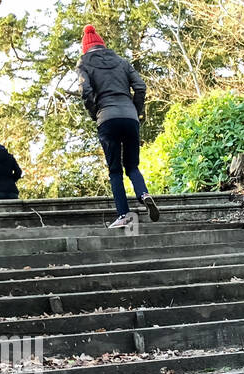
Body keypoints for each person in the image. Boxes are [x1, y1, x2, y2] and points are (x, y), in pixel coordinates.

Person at [76, 24, 161, 229]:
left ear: (85, 48)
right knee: (132, 165)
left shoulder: (83, 63)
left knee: (115, 170)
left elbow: (85, 91)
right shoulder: (122, 62)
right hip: (130, 117)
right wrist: (136, 110)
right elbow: (140, 86)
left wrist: (94, 112)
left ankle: (124, 215)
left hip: (107, 118)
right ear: (102, 45)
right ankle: (143, 193)